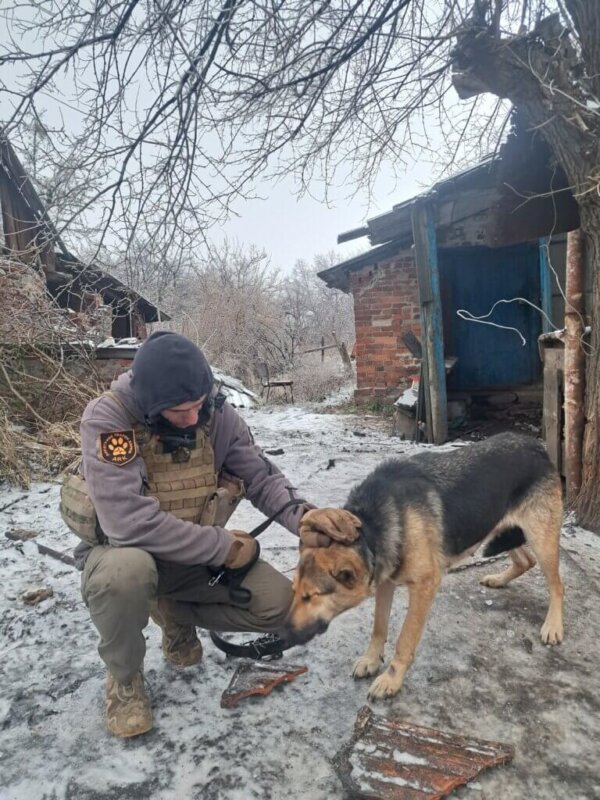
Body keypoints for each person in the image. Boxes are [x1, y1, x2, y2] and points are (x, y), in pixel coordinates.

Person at [60, 331, 360, 738]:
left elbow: (259, 477)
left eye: (198, 406)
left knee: (281, 607)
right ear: (150, 405)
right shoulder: (109, 418)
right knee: (123, 575)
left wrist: (305, 518)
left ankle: (172, 612)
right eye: (179, 411)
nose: (192, 418)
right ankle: (125, 680)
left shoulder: (215, 414)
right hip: (123, 555)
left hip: (191, 560)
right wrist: (223, 547)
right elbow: (126, 523)